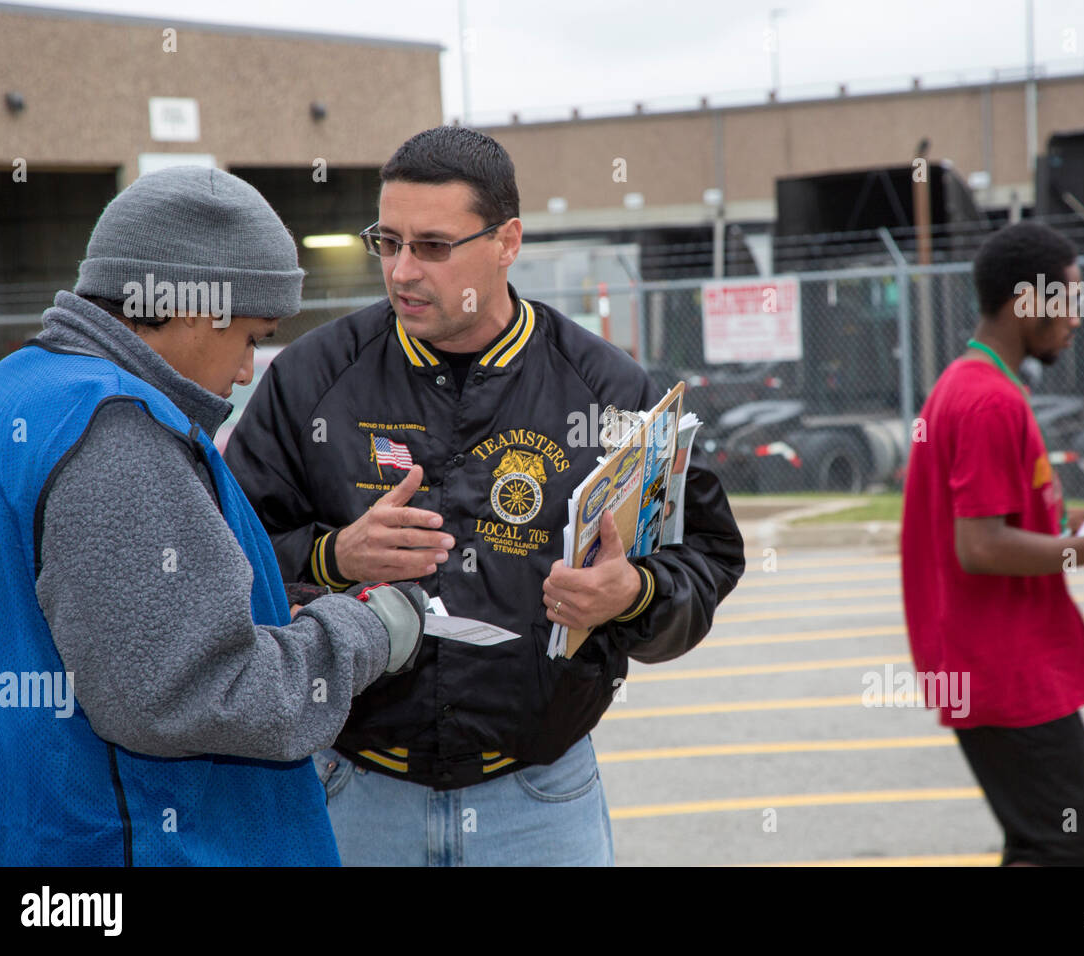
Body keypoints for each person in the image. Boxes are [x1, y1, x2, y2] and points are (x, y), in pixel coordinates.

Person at [224, 126, 745, 866]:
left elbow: (709, 556)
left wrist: (630, 593)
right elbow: (220, 559)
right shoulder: (311, 379)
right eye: (388, 241)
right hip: (352, 792)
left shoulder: (610, 392)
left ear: (507, 241)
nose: (402, 270)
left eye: (432, 246)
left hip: (539, 802)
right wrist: (331, 555)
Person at [0, 166, 429, 866]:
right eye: (251, 336)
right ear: (195, 310)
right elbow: (188, 692)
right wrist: (366, 630)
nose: (249, 370)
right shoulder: (115, 431)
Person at [899, 221, 1084, 867]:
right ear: (1026, 303)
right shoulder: (987, 400)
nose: (1077, 318)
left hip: (1006, 664)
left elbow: (1001, 529)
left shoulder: (977, 386)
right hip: (1006, 669)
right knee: (1074, 853)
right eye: (1068, 298)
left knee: (1046, 847)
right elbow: (981, 548)